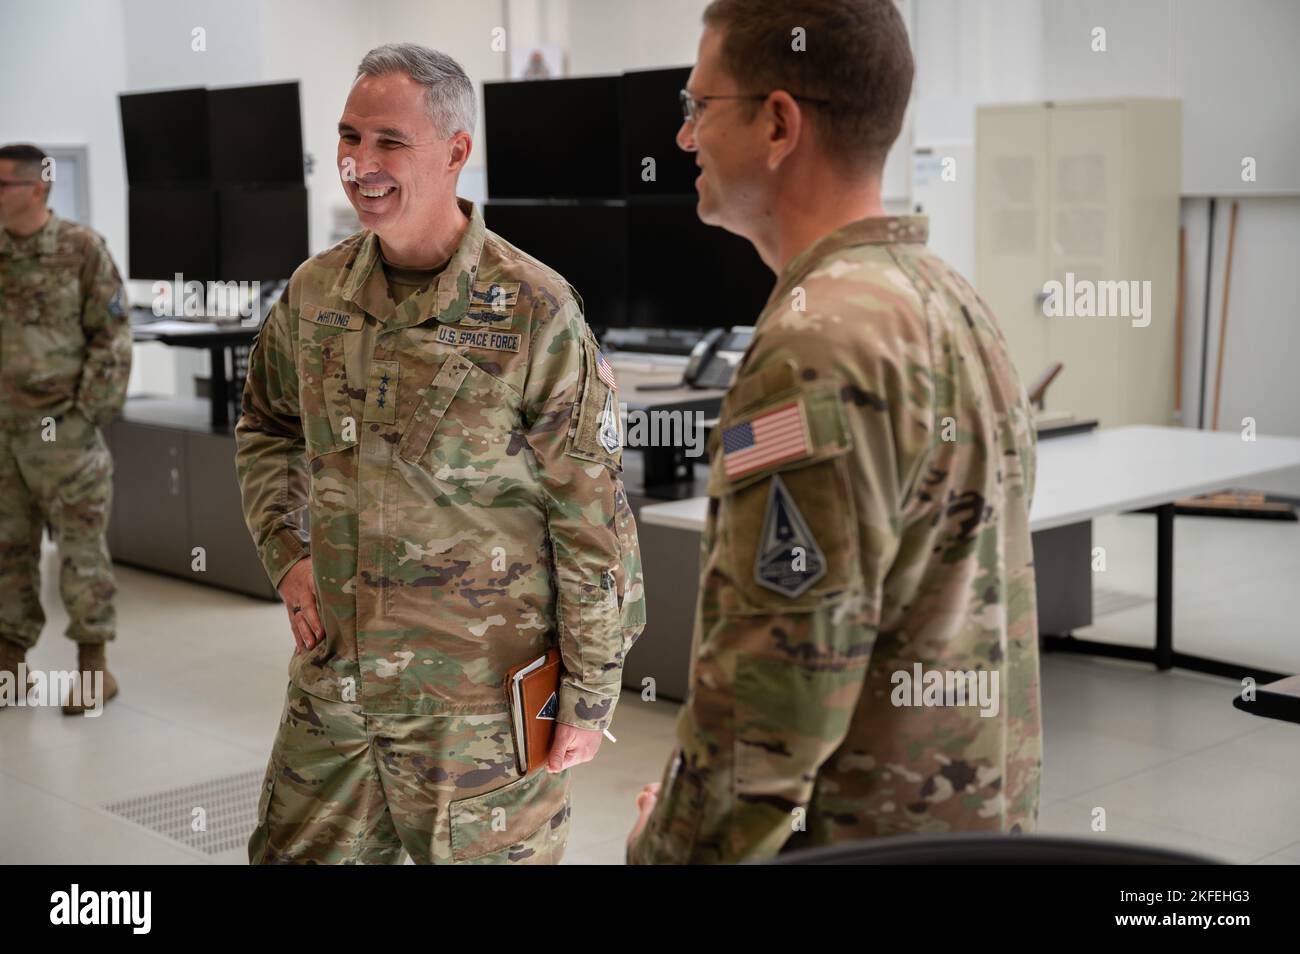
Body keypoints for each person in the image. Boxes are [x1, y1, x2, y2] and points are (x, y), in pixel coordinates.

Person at [627, 0, 1041, 863]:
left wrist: (666, 848)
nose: (684, 137)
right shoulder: (952, 302)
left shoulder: (814, 348)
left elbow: (769, 712)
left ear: (778, 123)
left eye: (698, 106)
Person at [235, 43, 645, 864]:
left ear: (456, 151)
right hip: (336, 694)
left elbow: (590, 514)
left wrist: (591, 692)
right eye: (350, 138)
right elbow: (267, 427)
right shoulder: (314, 295)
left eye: (390, 141)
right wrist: (287, 554)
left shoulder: (535, 309)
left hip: (479, 713)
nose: (360, 164)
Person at [0, 143, 131, 715]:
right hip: (3, 433)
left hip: (62, 431)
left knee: (79, 551)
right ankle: (9, 666)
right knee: (8, 550)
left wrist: (83, 417)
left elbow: (112, 337)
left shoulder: (81, 249)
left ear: (36, 188)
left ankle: (93, 669)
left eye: (1, 185)